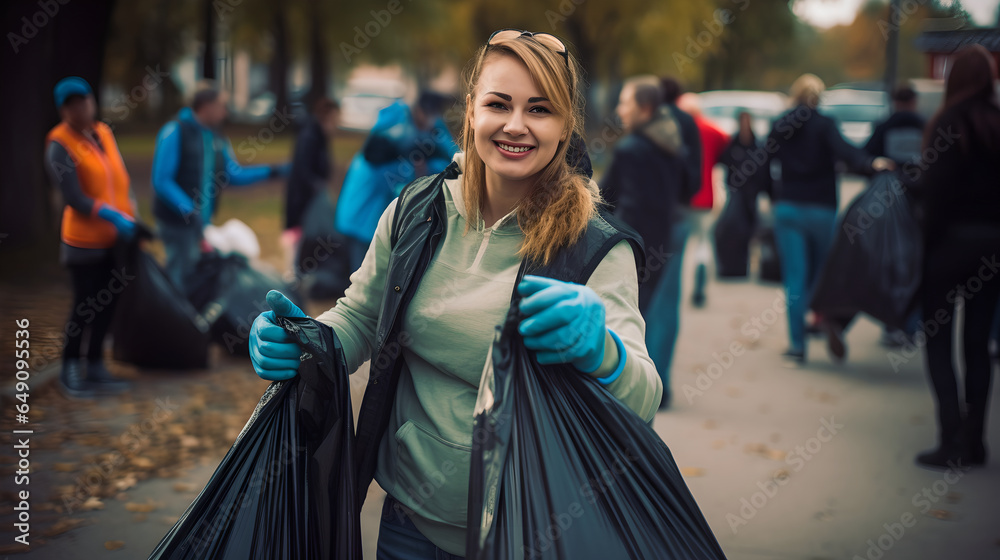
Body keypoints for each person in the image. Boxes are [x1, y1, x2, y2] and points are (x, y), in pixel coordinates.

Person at [249, 29, 661, 558]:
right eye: (498, 104)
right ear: (471, 111)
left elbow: (644, 396)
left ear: (565, 126)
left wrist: (604, 353)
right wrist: (304, 340)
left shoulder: (595, 247)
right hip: (407, 524)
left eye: (540, 109)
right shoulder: (416, 210)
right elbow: (359, 317)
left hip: (530, 530)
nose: (516, 125)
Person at [765, 74, 894, 366]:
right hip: (821, 209)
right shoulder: (824, 125)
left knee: (794, 278)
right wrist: (871, 164)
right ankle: (823, 319)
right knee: (823, 274)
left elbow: (763, 160)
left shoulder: (780, 125)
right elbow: (846, 152)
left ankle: (797, 346)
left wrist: (772, 196)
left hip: (787, 208)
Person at [913, 45, 1000, 469]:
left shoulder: (947, 123)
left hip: (948, 246)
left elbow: (936, 195)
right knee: (978, 346)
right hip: (992, 248)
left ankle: (949, 440)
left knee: (939, 345)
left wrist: (925, 250)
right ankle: (976, 441)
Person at [151, 81, 289, 293]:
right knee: (180, 276)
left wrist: (273, 171)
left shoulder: (215, 136)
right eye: (221, 105)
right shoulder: (175, 131)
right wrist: (188, 209)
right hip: (177, 223)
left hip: (199, 223)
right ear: (206, 106)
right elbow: (162, 180)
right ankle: (171, 321)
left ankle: (188, 319)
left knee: (194, 276)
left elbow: (232, 174)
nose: (225, 112)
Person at [601, 75, 687, 410]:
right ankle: (656, 388)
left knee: (626, 318)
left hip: (632, 244)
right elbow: (689, 186)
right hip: (663, 239)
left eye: (626, 102)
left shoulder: (630, 148)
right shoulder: (672, 144)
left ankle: (629, 395)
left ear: (645, 108)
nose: (620, 109)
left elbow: (607, 196)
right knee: (653, 314)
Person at [45, 77, 134, 398]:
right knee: (84, 306)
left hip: (115, 240)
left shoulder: (103, 133)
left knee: (107, 306)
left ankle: (95, 365)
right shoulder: (59, 144)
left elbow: (119, 178)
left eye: (84, 99)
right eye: (72, 103)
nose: (80, 106)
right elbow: (74, 198)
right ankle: (71, 368)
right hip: (82, 244)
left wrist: (130, 212)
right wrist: (110, 214)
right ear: (63, 109)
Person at [334, 91, 458, 272]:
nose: (429, 120)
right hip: (363, 215)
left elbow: (451, 157)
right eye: (428, 114)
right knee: (364, 269)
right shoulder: (387, 143)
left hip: (366, 215)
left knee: (369, 265)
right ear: (418, 110)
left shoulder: (420, 132)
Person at [676, 93, 730, 307]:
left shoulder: (678, 131)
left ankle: (682, 287)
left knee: (681, 245)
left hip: (682, 198)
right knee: (703, 240)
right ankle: (700, 284)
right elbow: (726, 145)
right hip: (706, 196)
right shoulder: (712, 131)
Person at [281, 97, 339, 279]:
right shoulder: (310, 136)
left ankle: (298, 271)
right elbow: (302, 168)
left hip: (308, 195)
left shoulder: (319, 136)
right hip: (302, 196)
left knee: (304, 234)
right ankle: (292, 272)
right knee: (297, 233)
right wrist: (316, 186)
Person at [716, 111, 772, 277]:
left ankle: (750, 264)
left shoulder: (758, 145)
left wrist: (768, 193)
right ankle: (736, 267)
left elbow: (765, 171)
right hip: (737, 193)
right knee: (735, 228)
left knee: (752, 229)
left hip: (752, 194)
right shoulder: (733, 144)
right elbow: (723, 161)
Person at [864, 84, 926, 166]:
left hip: (890, 174)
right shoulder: (926, 127)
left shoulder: (884, 128)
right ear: (913, 102)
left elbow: (869, 153)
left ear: (895, 103)